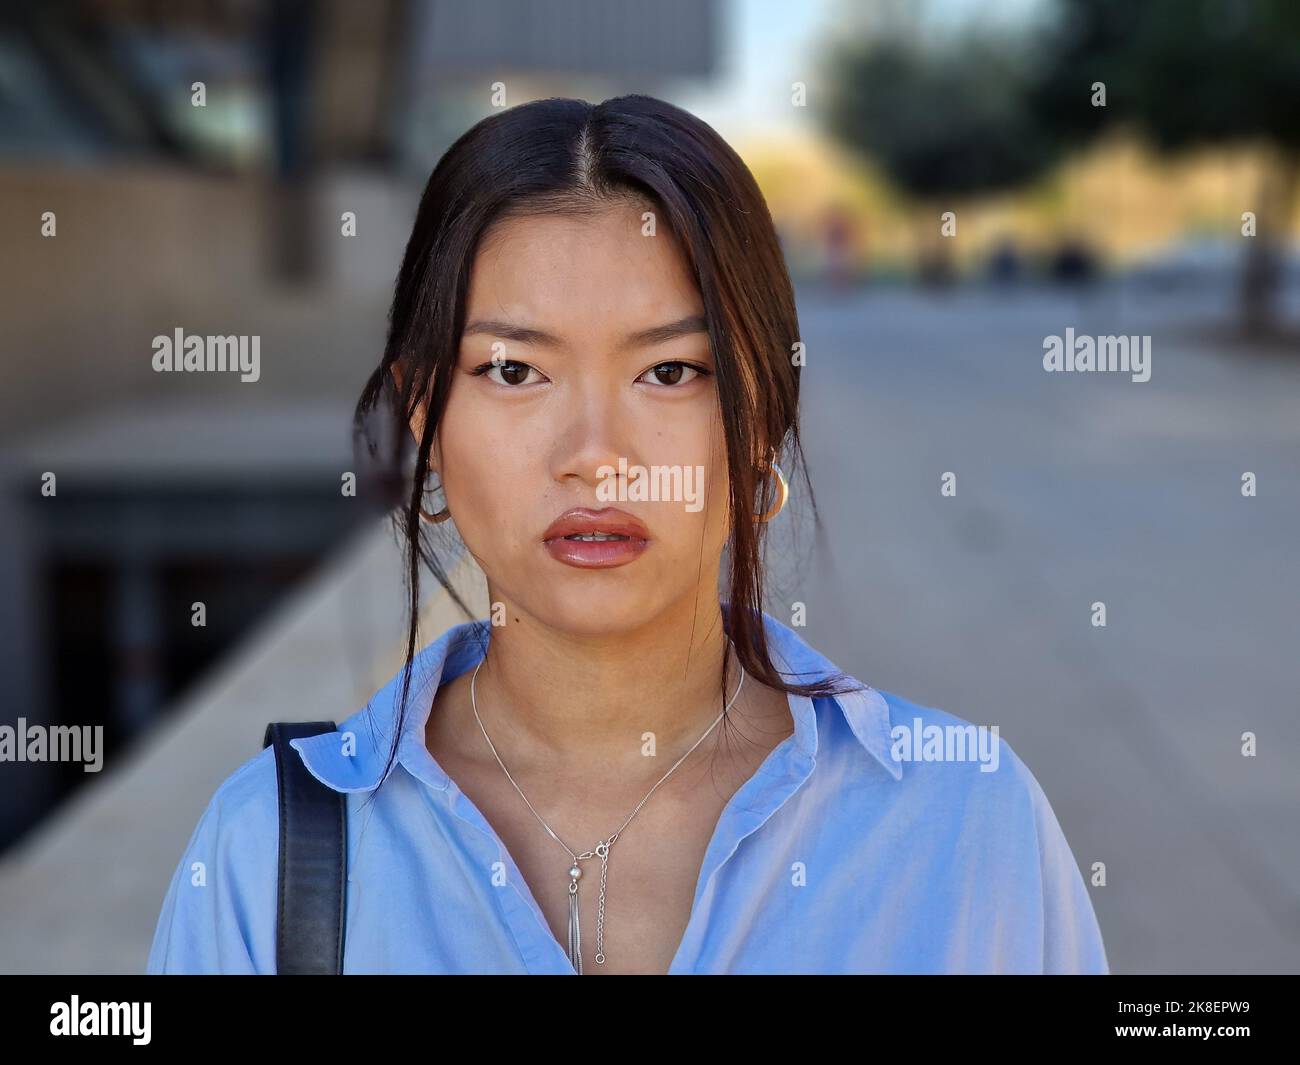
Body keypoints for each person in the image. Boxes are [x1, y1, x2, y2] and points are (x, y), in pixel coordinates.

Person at [146, 95, 1108, 975]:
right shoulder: (268, 856)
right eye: (515, 371)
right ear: (426, 418)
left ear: (762, 416)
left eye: (671, 371)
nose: (595, 457)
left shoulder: (965, 824)